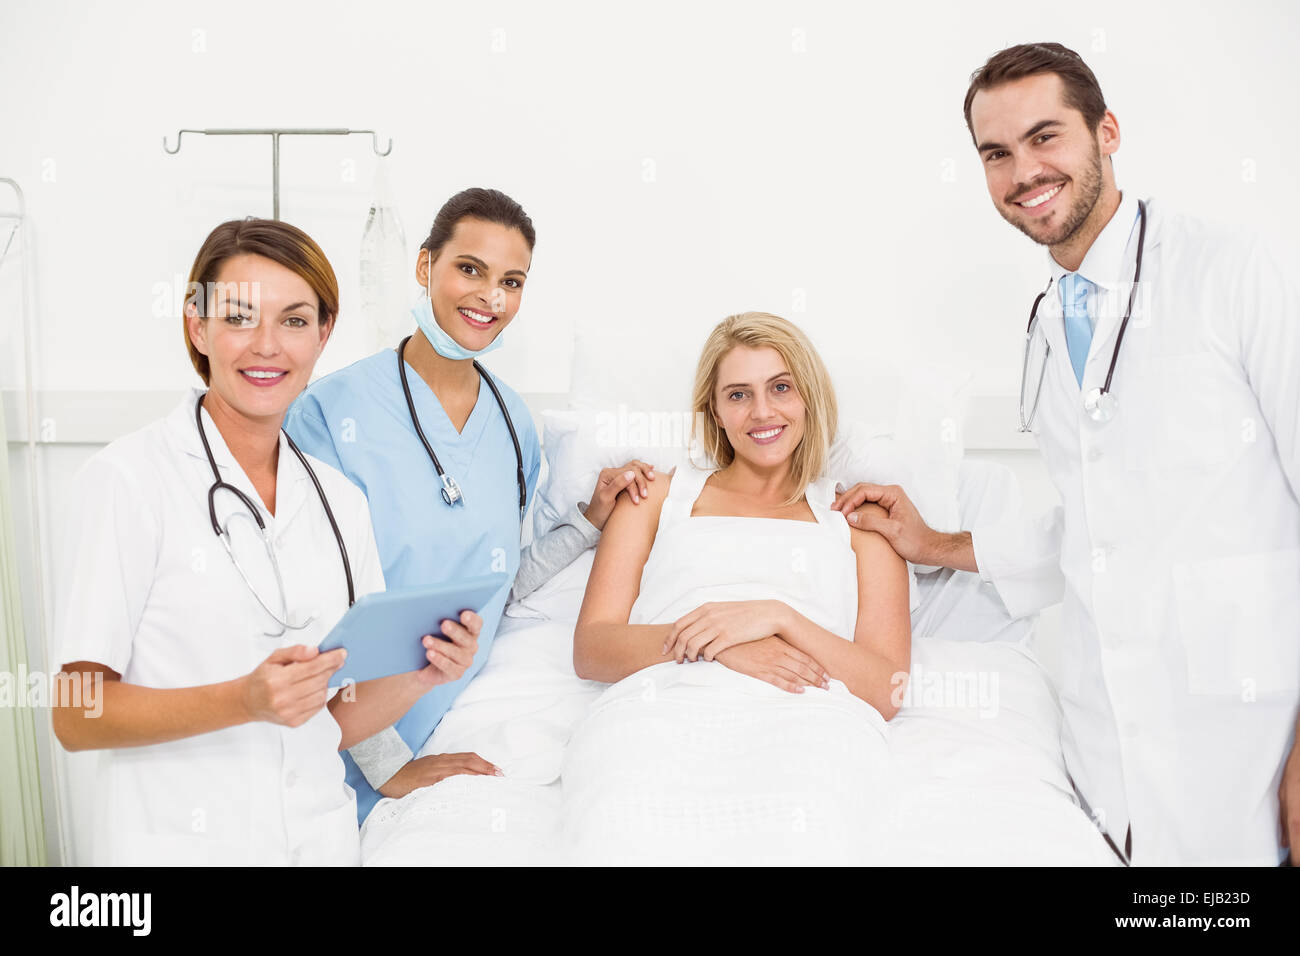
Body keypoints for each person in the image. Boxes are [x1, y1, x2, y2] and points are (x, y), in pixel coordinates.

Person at [834, 42, 1300, 865]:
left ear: (1107, 132)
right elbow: (1090, 522)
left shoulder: (1231, 270)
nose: (1024, 172)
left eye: (1045, 137)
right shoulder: (1049, 325)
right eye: (996, 154)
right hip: (1103, 741)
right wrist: (935, 544)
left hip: (1246, 727)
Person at [51, 218, 478, 865]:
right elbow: (74, 715)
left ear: (324, 333)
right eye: (240, 317)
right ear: (197, 325)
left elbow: (328, 722)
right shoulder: (128, 480)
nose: (267, 346)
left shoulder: (339, 501)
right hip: (177, 848)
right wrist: (241, 700)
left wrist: (424, 675)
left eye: (295, 320)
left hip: (318, 843)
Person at [284, 187, 656, 822]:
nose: (491, 297)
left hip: (460, 714)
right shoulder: (329, 412)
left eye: (512, 281)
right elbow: (309, 612)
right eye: (470, 269)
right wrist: (389, 765)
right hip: (344, 735)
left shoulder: (513, 424)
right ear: (426, 267)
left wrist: (590, 520)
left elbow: (494, 586)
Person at [567, 312, 911, 863]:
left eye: (780, 388)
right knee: (625, 824)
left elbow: (888, 688)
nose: (762, 412)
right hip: (660, 708)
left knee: (802, 831)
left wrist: (779, 618)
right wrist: (725, 645)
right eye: (738, 394)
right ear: (714, 411)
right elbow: (591, 649)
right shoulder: (655, 496)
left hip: (809, 716)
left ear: (809, 397)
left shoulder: (859, 518)